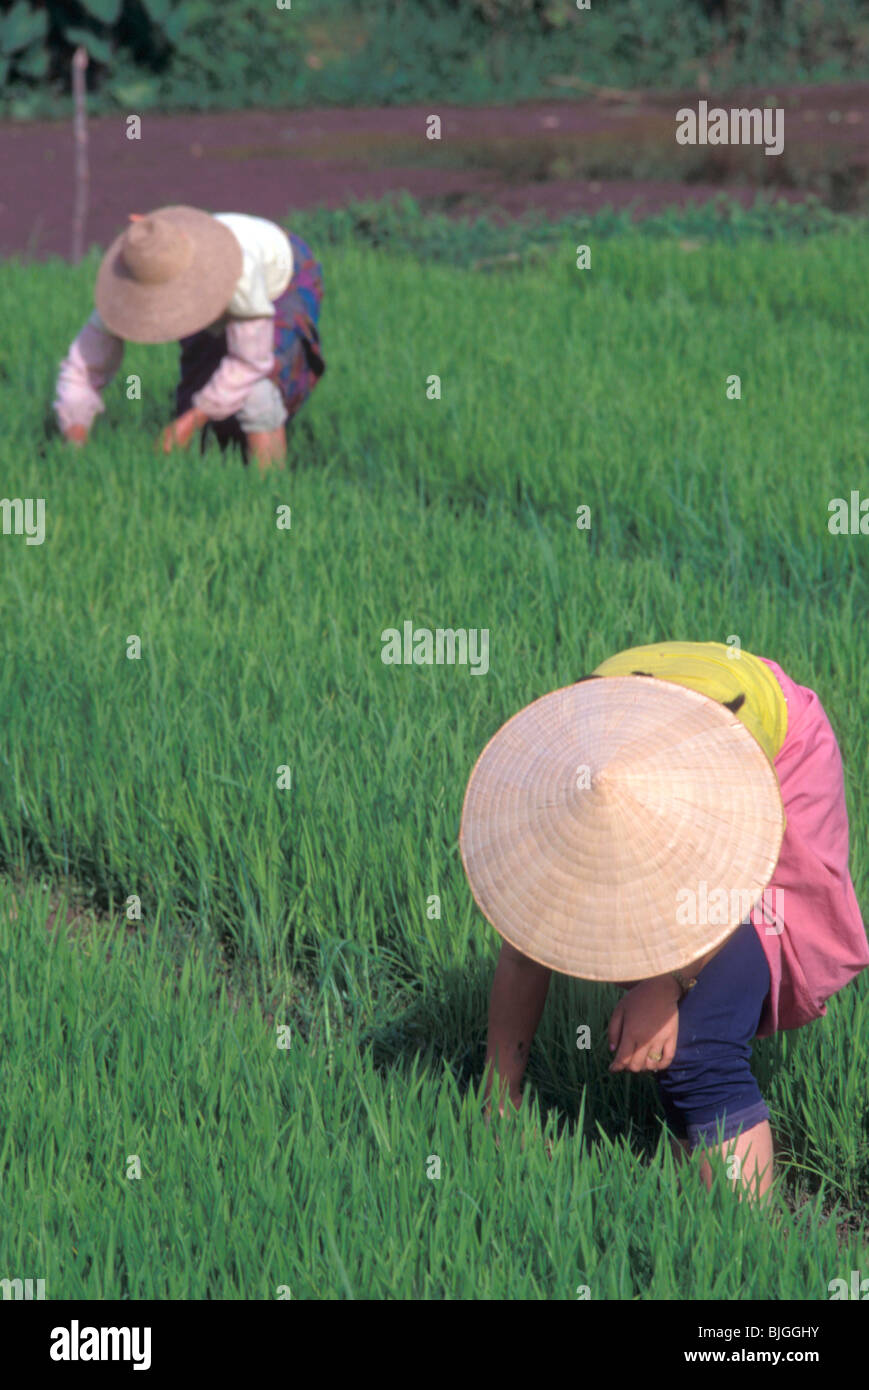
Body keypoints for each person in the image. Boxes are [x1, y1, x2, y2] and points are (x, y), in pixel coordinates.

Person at [460, 641, 869, 1201]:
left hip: (766, 741)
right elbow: (526, 945)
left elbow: (717, 891)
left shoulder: (717, 786)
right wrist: (497, 1106)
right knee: (655, 1001)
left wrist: (668, 983)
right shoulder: (557, 793)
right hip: (643, 717)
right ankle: (684, 1197)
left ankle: (740, 1244)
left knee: (700, 1033)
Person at [53, 205, 325, 474]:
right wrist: (75, 443)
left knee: (257, 390)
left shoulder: (238, 271)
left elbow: (251, 363)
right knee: (204, 393)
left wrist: (188, 423)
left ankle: (269, 490)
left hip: (282, 276)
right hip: (214, 273)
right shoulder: (131, 279)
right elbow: (82, 369)